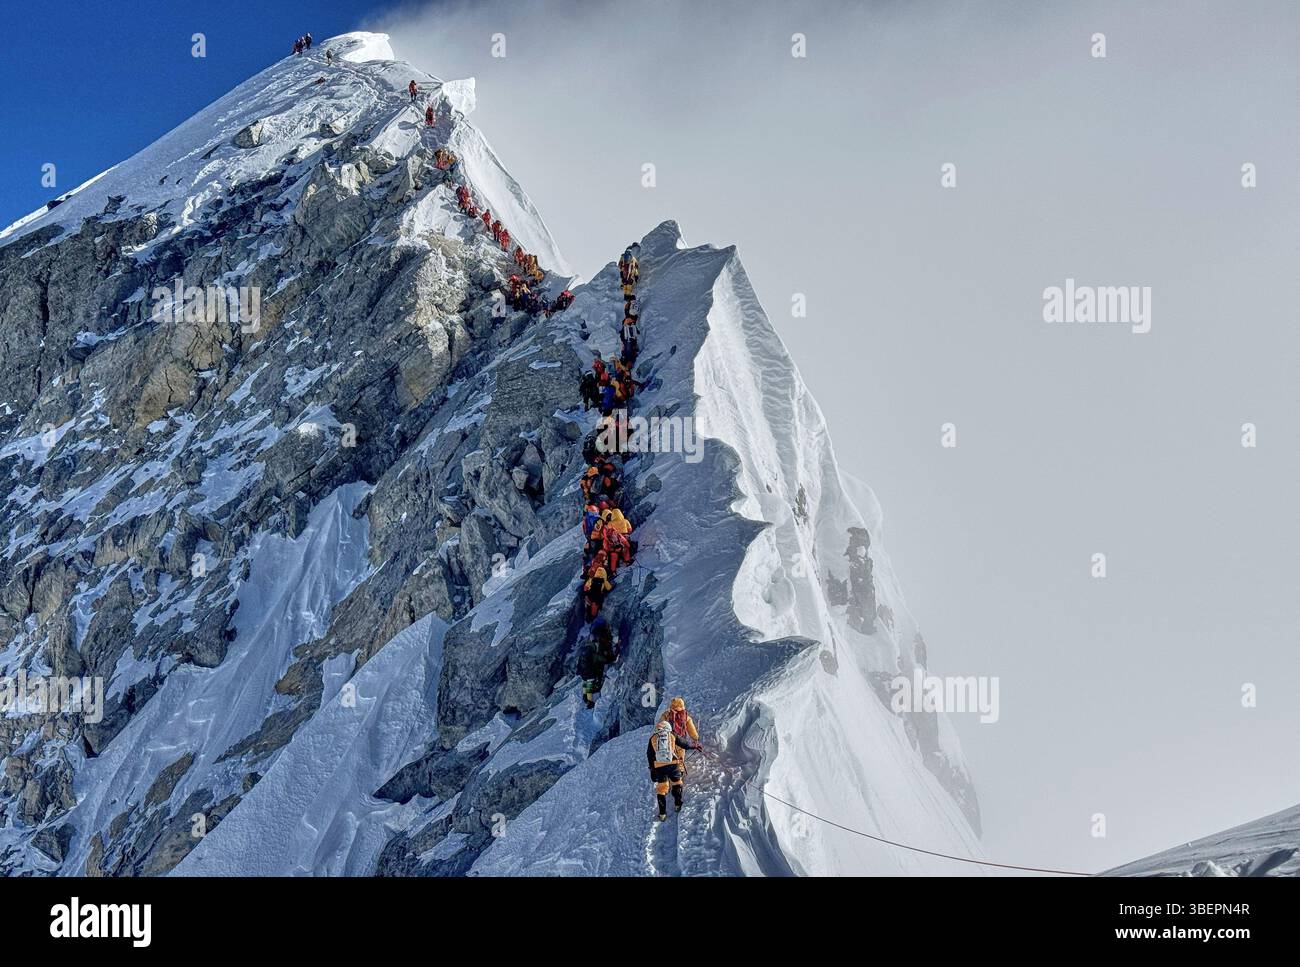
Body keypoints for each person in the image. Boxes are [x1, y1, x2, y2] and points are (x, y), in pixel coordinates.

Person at [647, 719, 699, 820]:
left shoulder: (653, 738)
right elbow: (684, 744)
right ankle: (678, 804)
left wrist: (652, 770)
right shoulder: (672, 735)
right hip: (673, 764)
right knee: (677, 782)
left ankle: (662, 814)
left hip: (659, 766)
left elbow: (650, 755)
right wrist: (695, 746)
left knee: (662, 789)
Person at [578, 618, 619, 708]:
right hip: (589, 671)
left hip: (583, 669)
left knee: (586, 682)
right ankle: (589, 702)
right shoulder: (595, 651)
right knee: (590, 683)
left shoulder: (588, 647)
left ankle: (586, 697)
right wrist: (615, 653)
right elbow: (605, 659)